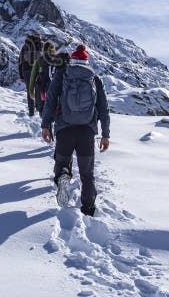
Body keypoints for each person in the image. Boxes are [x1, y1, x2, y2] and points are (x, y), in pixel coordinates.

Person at [41, 44, 110, 216]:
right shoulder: (94, 79)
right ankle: (88, 208)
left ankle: (63, 175)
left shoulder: (62, 75)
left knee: (62, 163)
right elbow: (103, 108)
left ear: (72, 60)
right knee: (87, 174)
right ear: (87, 61)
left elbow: (50, 100)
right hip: (86, 131)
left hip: (65, 128)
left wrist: (46, 125)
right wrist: (105, 134)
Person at [28, 42, 69, 115]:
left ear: (43, 49)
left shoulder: (39, 60)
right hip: (54, 88)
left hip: (41, 89)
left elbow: (33, 76)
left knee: (43, 111)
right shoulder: (57, 59)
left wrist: (31, 91)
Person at [18, 33, 43, 115]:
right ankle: (38, 108)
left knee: (30, 90)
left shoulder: (25, 46)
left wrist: (21, 75)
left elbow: (20, 61)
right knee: (38, 89)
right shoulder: (41, 46)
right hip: (38, 70)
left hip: (26, 70)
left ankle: (31, 111)